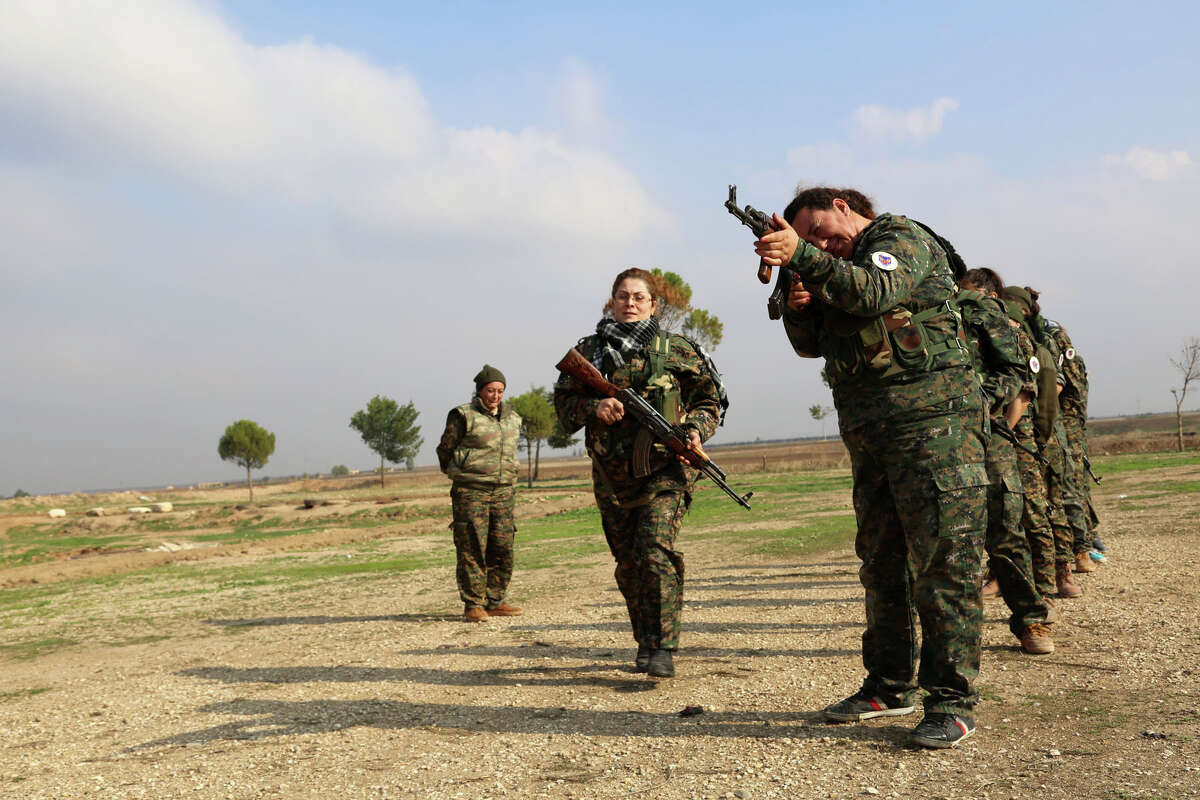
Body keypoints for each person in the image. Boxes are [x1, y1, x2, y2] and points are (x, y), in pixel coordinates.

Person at [755, 186, 988, 748]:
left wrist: (802, 256)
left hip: (936, 430)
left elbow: (876, 290)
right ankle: (889, 685)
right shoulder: (831, 270)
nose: (820, 244)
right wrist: (796, 301)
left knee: (943, 563)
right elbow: (811, 345)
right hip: (871, 436)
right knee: (882, 563)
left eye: (818, 230)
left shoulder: (898, 237)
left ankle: (950, 703)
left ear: (842, 205)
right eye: (807, 240)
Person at [553, 268, 725, 679]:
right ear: (612, 301)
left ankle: (663, 646)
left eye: (638, 297)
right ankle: (646, 640)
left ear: (653, 305)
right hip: (612, 477)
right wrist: (594, 407)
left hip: (666, 471)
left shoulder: (678, 349)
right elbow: (563, 407)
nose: (629, 303)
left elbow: (710, 401)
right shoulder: (590, 351)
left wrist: (695, 431)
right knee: (629, 563)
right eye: (622, 296)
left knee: (654, 550)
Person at [958, 267, 1054, 654]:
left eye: (968, 291)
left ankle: (1031, 619)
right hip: (943, 440)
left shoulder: (1001, 326)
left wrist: (995, 423)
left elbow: (1019, 384)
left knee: (1006, 533)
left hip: (990, 438)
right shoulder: (938, 317)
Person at [435, 365, 524, 622]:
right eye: (490, 390)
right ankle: (473, 604)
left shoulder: (513, 418)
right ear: (479, 391)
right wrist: (461, 472)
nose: (495, 396)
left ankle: (495, 600)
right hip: (471, 491)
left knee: (502, 547)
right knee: (472, 546)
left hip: (503, 491)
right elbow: (445, 449)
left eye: (500, 391)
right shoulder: (463, 416)